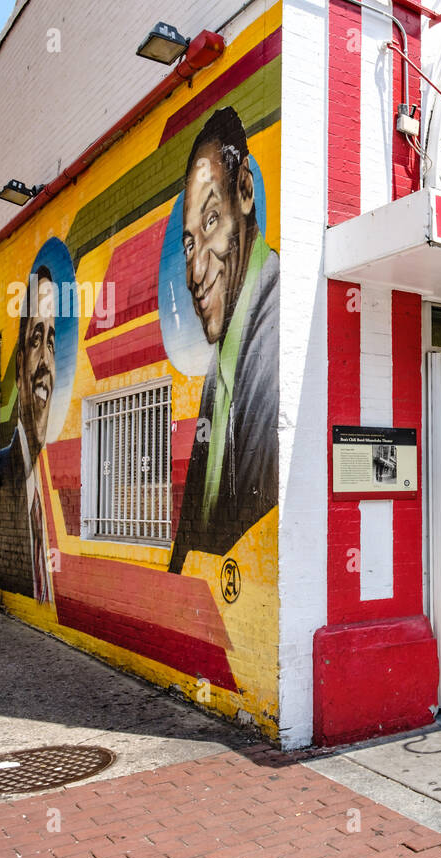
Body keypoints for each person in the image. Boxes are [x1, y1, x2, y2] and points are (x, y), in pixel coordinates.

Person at [169, 107, 280, 573]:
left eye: (211, 220)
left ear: (246, 192)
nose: (195, 272)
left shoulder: (274, 332)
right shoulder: (224, 360)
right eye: (188, 244)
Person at [0, 268, 57, 601]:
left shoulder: (41, 486)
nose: (45, 362)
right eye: (36, 340)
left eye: (51, 343)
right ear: (20, 362)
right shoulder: (3, 469)